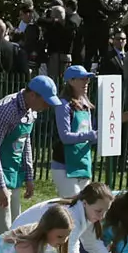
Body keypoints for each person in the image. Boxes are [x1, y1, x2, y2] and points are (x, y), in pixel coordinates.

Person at [0, 75, 54, 233]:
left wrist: (29, 176)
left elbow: (25, 142)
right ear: (32, 95)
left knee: (15, 227)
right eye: (45, 101)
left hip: (12, 174)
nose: (47, 106)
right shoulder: (5, 110)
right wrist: (0, 186)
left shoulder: (32, 111)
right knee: (1, 230)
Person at [49, 65, 97, 199]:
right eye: (82, 79)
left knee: (85, 208)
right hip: (64, 166)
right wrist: (91, 135)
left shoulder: (86, 105)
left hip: (83, 164)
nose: (86, 82)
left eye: (87, 79)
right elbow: (65, 136)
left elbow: (89, 135)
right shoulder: (63, 105)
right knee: (71, 206)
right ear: (70, 81)